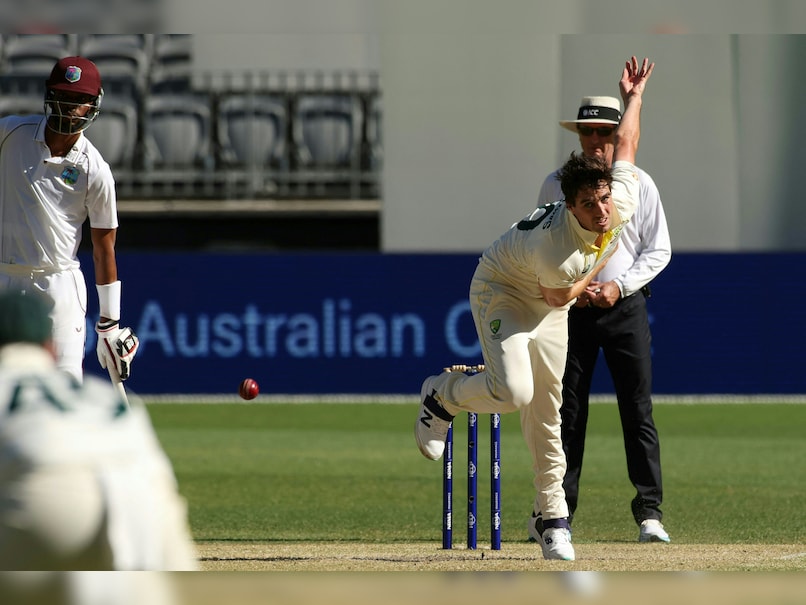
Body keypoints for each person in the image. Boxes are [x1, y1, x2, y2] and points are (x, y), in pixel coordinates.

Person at [414, 56, 655, 561]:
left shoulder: (620, 199)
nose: (603, 211)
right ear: (571, 207)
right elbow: (559, 297)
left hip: (549, 299)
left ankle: (554, 520)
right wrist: (602, 259)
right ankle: (442, 395)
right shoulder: (557, 249)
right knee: (516, 392)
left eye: (605, 200)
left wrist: (633, 97)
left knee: (548, 411)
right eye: (591, 206)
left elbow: (627, 142)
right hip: (505, 289)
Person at [525, 96, 672, 544]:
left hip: (623, 308)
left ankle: (650, 514)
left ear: (616, 136)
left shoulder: (638, 183)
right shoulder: (555, 185)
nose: (594, 141)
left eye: (604, 133)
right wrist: (569, 290)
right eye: (587, 133)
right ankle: (556, 515)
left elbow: (658, 249)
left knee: (637, 409)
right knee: (565, 413)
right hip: (571, 311)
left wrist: (618, 286)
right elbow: (539, 244)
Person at [0, 289, 198, 575]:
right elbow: (160, 474)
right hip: (145, 507)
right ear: (51, 347)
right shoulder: (101, 395)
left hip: (52, 508)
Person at [0, 55, 138, 386]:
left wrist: (109, 323)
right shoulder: (10, 133)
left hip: (59, 286)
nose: (69, 108)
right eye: (63, 97)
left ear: (93, 106)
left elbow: (105, 249)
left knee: (63, 390)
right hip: (5, 278)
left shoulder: (95, 170)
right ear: (50, 97)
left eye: (79, 101)